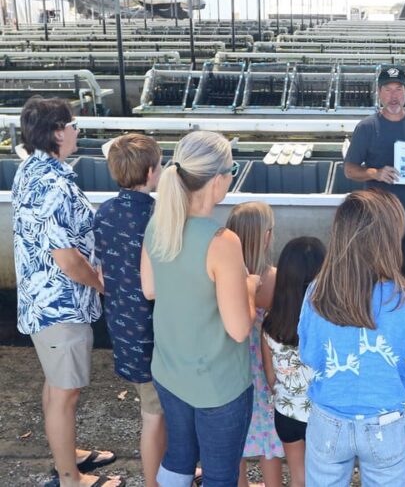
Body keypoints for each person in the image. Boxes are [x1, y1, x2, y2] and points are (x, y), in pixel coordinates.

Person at [12, 96, 123, 487]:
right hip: (61, 305)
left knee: (55, 384)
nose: (77, 130)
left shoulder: (30, 168)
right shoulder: (55, 185)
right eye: (73, 124)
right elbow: (67, 259)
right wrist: (101, 283)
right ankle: (69, 477)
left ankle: (66, 455)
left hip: (40, 300)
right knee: (66, 392)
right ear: (58, 132)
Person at [140, 131, 260, 487]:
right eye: (232, 170)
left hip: (169, 370)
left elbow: (150, 289)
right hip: (217, 384)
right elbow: (239, 328)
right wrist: (249, 287)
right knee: (220, 475)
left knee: (178, 456)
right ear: (218, 179)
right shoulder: (222, 241)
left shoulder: (159, 224)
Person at [298, 189, 405, 487]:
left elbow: (309, 356)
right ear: (390, 239)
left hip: (328, 420)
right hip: (387, 424)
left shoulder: (317, 292)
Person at [93, 134, 163, 487]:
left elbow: (102, 269)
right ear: (150, 172)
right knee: (155, 413)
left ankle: (169, 472)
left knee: (153, 408)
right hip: (155, 331)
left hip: (122, 327)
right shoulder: (156, 215)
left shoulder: (105, 212)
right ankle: (154, 480)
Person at [344, 66, 405, 284]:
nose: (393, 96)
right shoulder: (367, 128)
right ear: (379, 93)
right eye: (387, 90)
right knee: (377, 283)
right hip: (377, 222)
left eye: (398, 89)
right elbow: (349, 169)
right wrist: (375, 173)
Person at [225, 202, 284, 487]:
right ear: (267, 236)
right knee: (269, 441)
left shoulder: (225, 277)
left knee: (233, 439)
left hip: (233, 371)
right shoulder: (276, 279)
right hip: (267, 373)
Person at [262, 236, 326, 487]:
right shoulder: (330, 323)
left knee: (299, 478)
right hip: (322, 415)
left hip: (286, 413)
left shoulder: (270, 323)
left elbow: (270, 378)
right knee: (324, 478)